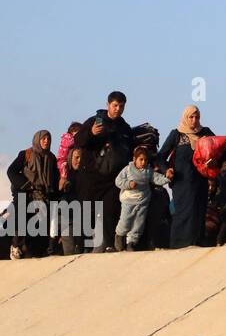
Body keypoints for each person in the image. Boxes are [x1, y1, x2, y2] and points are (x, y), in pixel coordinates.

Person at [72, 92, 136, 252]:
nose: (118, 109)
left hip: (112, 179)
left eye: (121, 106)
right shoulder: (96, 120)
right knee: (86, 212)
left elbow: (130, 149)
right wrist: (91, 133)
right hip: (91, 176)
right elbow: (78, 141)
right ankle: (81, 247)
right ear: (108, 104)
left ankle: (109, 245)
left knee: (111, 211)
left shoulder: (124, 127)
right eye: (115, 105)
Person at [159, 105, 214, 249]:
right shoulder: (176, 134)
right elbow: (160, 156)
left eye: (197, 117)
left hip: (200, 180)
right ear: (185, 117)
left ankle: (196, 243)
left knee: (199, 211)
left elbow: (219, 149)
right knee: (184, 212)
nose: (194, 120)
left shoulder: (205, 133)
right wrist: (167, 170)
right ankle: (178, 245)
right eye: (191, 117)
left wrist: (214, 162)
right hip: (182, 181)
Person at [7, 130, 58, 258]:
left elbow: (55, 178)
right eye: (44, 138)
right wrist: (26, 185)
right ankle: (15, 245)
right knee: (22, 213)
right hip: (25, 192)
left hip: (43, 195)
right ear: (37, 140)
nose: (46, 141)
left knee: (41, 223)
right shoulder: (26, 154)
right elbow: (11, 171)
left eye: (49, 139)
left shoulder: (51, 158)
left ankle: (32, 249)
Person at [113, 146, 170, 252]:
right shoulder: (128, 169)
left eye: (145, 160)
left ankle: (131, 243)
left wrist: (167, 178)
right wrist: (129, 184)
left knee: (138, 224)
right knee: (125, 221)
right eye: (141, 159)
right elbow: (118, 181)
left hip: (143, 202)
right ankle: (119, 237)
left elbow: (156, 178)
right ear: (135, 159)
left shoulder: (148, 171)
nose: (143, 162)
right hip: (128, 201)